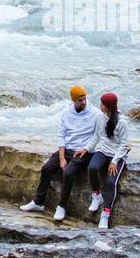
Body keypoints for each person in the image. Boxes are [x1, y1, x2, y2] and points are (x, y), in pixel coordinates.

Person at [20, 85, 97, 221]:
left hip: (83, 151)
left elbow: (99, 135)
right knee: (47, 168)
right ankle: (38, 203)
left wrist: (87, 149)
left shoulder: (96, 113)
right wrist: (61, 158)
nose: (83, 102)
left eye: (84, 99)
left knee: (67, 173)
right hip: (66, 149)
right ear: (73, 100)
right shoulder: (67, 112)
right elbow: (61, 135)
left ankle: (62, 206)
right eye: (80, 100)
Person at [85, 91, 131, 231]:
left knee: (111, 182)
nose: (100, 106)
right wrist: (86, 149)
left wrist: (114, 161)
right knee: (92, 168)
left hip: (117, 155)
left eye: (103, 104)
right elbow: (96, 137)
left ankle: (105, 214)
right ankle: (96, 195)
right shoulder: (101, 118)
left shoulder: (122, 122)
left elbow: (124, 144)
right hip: (102, 151)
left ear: (108, 106)